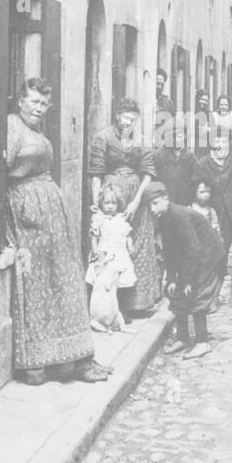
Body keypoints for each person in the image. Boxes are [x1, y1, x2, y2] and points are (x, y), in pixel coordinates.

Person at [5, 78, 110, 386]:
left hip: (51, 218)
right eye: (33, 102)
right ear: (20, 101)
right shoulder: (13, 126)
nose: (38, 109)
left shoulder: (36, 130)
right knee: (39, 284)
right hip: (29, 220)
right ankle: (39, 363)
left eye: (43, 104)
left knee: (63, 281)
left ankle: (72, 360)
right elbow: (2, 170)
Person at [88, 98, 161, 314]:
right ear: (117, 116)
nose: (128, 123)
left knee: (136, 244)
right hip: (111, 196)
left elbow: (148, 172)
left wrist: (137, 200)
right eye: (125, 118)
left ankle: (137, 303)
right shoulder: (103, 137)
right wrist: (97, 206)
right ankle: (109, 303)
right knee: (110, 245)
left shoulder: (142, 140)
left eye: (133, 119)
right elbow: (96, 174)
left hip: (135, 197)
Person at [149, 181, 224, 359]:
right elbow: (170, 250)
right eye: (148, 205)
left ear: (165, 200)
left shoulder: (178, 215)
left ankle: (202, 342)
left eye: (154, 203)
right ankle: (182, 337)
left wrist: (187, 280)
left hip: (208, 255)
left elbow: (194, 250)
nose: (151, 209)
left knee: (197, 293)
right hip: (193, 255)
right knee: (176, 291)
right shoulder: (164, 217)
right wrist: (173, 279)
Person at [85, 184, 136, 303]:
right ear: (101, 203)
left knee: (120, 281)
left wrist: (130, 245)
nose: (110, 207)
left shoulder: (121, 219)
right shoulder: (99, 219)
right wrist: (95, 251)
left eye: (113, 203)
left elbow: (126, 234)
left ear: (118, 204)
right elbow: (94, 237)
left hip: (120, 254)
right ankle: (101, 308)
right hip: (105, 254)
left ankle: (120, 310)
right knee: (104, 281)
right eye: (107, 203)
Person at [197, 134, 232, 268]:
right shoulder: (203, 163)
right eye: (216, 140)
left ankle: (222, 266)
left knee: (228, 238)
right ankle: (214, 267)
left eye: (224, 141)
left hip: (231, 208)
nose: (220, 145)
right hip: (213, 207)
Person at [153, 123, 201, 204]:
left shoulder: (191, 159)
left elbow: (196, 185)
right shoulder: (158, 156)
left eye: (179, 136)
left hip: (184, 205)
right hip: (163, 204)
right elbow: (153, 183)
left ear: (185, 136)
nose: (176, 140)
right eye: (172, 136)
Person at [194, 89, 212, 156]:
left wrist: (208, 129)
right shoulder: (193, 111)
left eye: (206, 100)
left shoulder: (209, 113)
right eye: (202, 99)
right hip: (195, 142)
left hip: (206, 144)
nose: (204, 102)